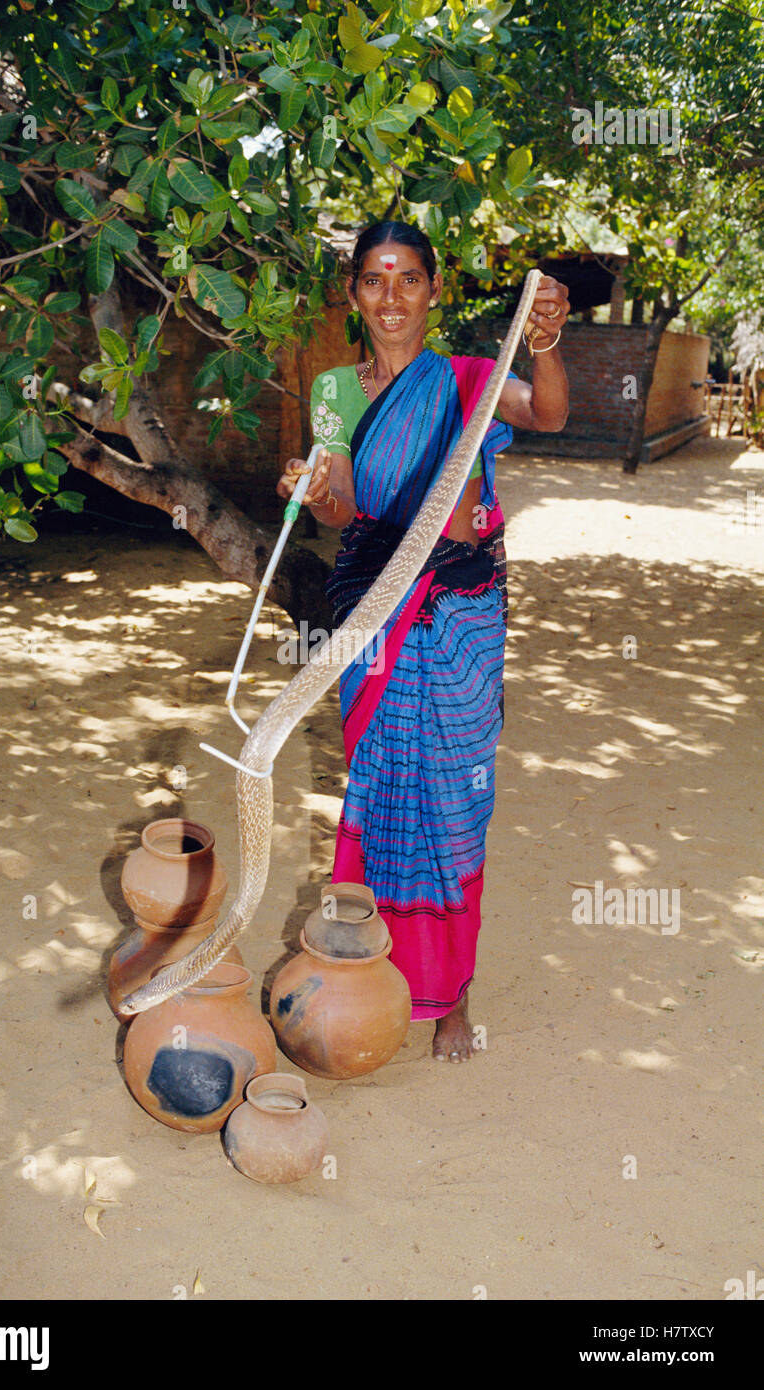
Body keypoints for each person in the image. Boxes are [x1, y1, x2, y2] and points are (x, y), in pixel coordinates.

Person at [276, 221, 569, 1061]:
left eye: (409, 278)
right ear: (355, 294)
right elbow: (340, 509)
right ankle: (364, 971)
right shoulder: (335, 391)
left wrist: (545, 342)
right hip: (371, 607)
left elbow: (545, 412)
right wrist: (310, 488)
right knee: (379, 786)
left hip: (459, 612)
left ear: (434, 291)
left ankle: (452, 999)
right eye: (374, 279)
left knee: (452, 800)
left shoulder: (469, 378)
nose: (393, 296)